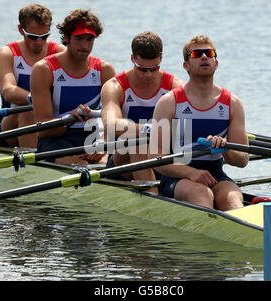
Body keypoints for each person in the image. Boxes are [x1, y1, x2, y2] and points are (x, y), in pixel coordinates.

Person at [149, 35, 249, 211]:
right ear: (186, 65)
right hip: (177, 175)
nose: (204, 57)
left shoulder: (232, 103)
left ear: (216, 63)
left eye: (209, 53)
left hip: (216, 173)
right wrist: (192, 173)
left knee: (232, 199)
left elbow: (242, 160)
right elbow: (156, 159)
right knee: (202, 194)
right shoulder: (169, 102)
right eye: (196, 54)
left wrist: (226, 149)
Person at [30, 9, 116, 165]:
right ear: (66, 38)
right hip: (56, 140)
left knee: (105, 162)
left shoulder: (105, 70)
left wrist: (103, 143)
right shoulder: (44, 70)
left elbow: (116, 117)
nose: (85, 46)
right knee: (82, 165)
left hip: (92, 137)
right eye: (79, 39)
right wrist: (68, 120)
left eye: (90, 39)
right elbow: (42, 128)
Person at [101, 31, 184, 187]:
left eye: (154, 68)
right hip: (122, 161)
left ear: (161, 58)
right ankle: (154, 196)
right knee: (135, 141)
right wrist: (150, 130)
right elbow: (111, 125)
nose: (148, 75)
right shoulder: (115, 86)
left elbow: (189, 126)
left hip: (162, 157)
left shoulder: (175, 86)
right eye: (142, 69)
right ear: (133, 59)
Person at [0, 4, 65, 148]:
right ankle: (32, 162)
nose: (39, 42)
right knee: (29, 109)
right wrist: (35, 100)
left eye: (44, 36)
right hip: (10, 127)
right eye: (33, 37)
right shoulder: (7, 53)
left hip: (47, 123)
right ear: (21, 30)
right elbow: (8, 91)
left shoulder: (59, 52)